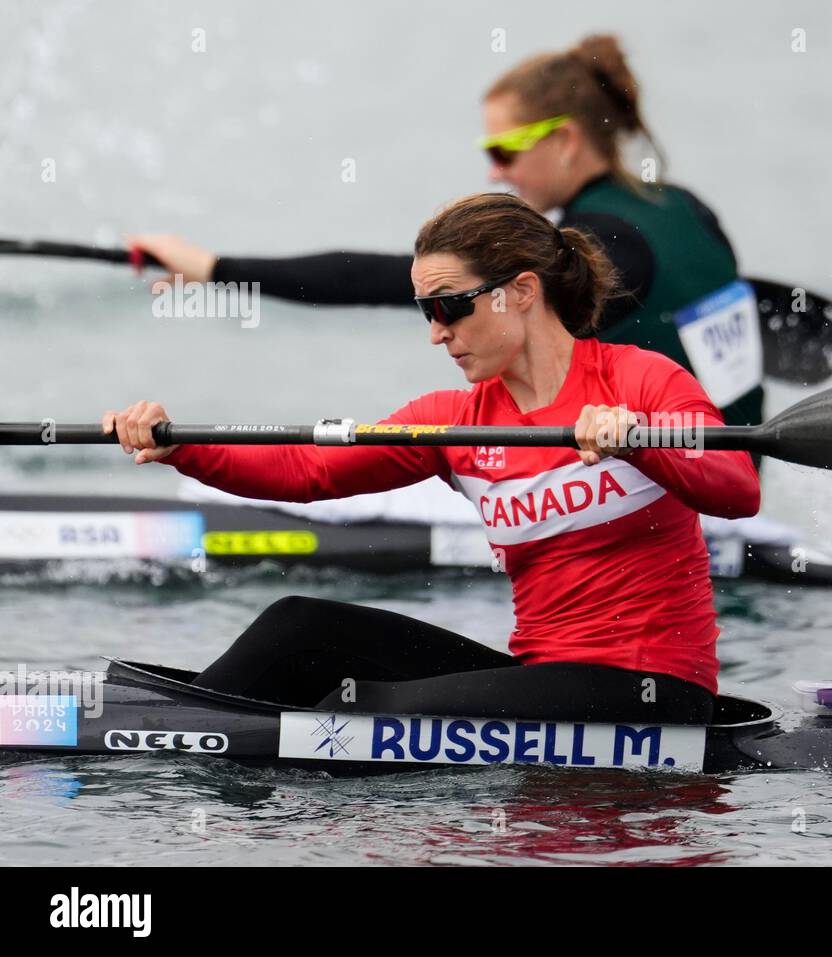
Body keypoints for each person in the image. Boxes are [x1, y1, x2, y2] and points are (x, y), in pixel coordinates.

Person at [102, 193, 760, 724]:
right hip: (544, 676)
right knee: (296, 627)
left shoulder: (641, 381)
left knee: (374, 712)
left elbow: (738, 487)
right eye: (425, 308)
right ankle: (159, 735)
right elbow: (308, 472)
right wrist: (180, 445)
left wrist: (643, 440)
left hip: (654, 691)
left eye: (448, 305)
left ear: (521, 291)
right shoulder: (457, 418)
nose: (436, 330)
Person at [129, 34, 765, 429]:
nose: (493, 170)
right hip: (725, 470)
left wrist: (218, 269)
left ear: (566, 141)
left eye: (505, 150)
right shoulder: (687, 208)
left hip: (666, 500)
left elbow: (383, 278)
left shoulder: (598, 241)